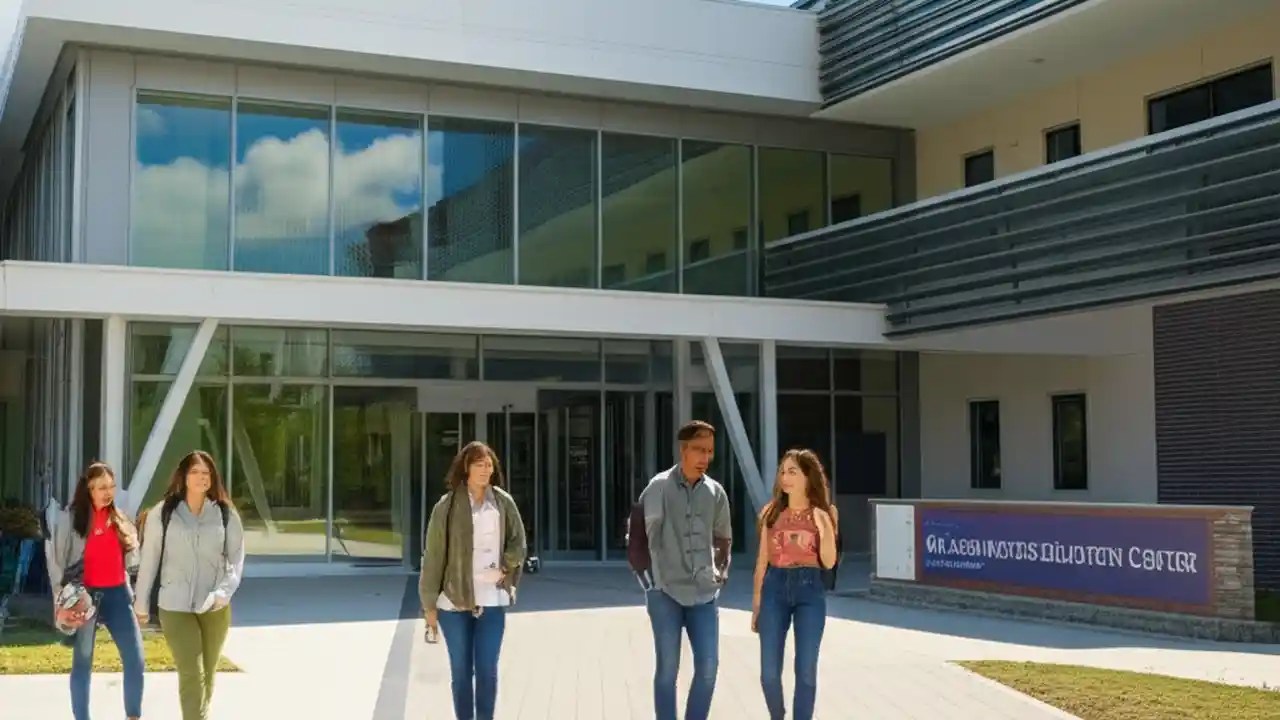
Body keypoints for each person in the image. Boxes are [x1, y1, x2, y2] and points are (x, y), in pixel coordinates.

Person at [629, 420, 733, 720]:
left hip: (704, 596)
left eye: (710, 451)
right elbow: (638, 539)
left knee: (708, 669)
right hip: (665, 595)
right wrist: (650, 584)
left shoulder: (716, 493)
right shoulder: (658, 488)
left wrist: (719, 572)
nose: (705, 457)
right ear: (683, 449)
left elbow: (722, 539)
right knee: (666, 671)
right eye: (699, 450)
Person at [133, 450, 245, 720]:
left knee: (208, 675)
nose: (201, 477)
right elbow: (149, 560)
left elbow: (236, 560)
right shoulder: (164, 513)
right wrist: (141, 603)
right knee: (192, 673)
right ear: (183, 476)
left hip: (215, 606)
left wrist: (223, 593)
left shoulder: (225, 514)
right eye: (195, 472)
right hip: (174, 604)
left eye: (206, 473)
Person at [419, 440, 527, 720]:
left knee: (488, 671)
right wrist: (429, 605)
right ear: (466, 467)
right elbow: (433, 557)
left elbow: (519, 543)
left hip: (492, 600)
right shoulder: (447, 506)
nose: (484, 469)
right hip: (454, 602)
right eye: (478, 463)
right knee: (462, 673)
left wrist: (505, 566)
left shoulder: (503, 502)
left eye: (488, 464)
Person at [46, 461, 145, 720]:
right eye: (101, 487)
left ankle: (133, 716)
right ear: (88, 489)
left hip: (118, 595)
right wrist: (61, 602)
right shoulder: (70, 520)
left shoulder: (119, 518)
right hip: (84, 598)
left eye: (111, 486)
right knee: (83, 663)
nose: (108, 492)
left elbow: (133, 560)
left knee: (135, 660)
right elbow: (56, 563)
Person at [751, 449, 839, 720]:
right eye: (782, 471)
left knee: (806, 670)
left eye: (792, 471)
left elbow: (828, 561)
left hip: (809, 589)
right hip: (774, 588)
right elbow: (761, 562)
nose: (785, 477)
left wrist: (825, 528)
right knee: (768, 673)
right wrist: (756, 604)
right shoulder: (771, 512)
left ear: (807, 477)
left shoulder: (824, 513)